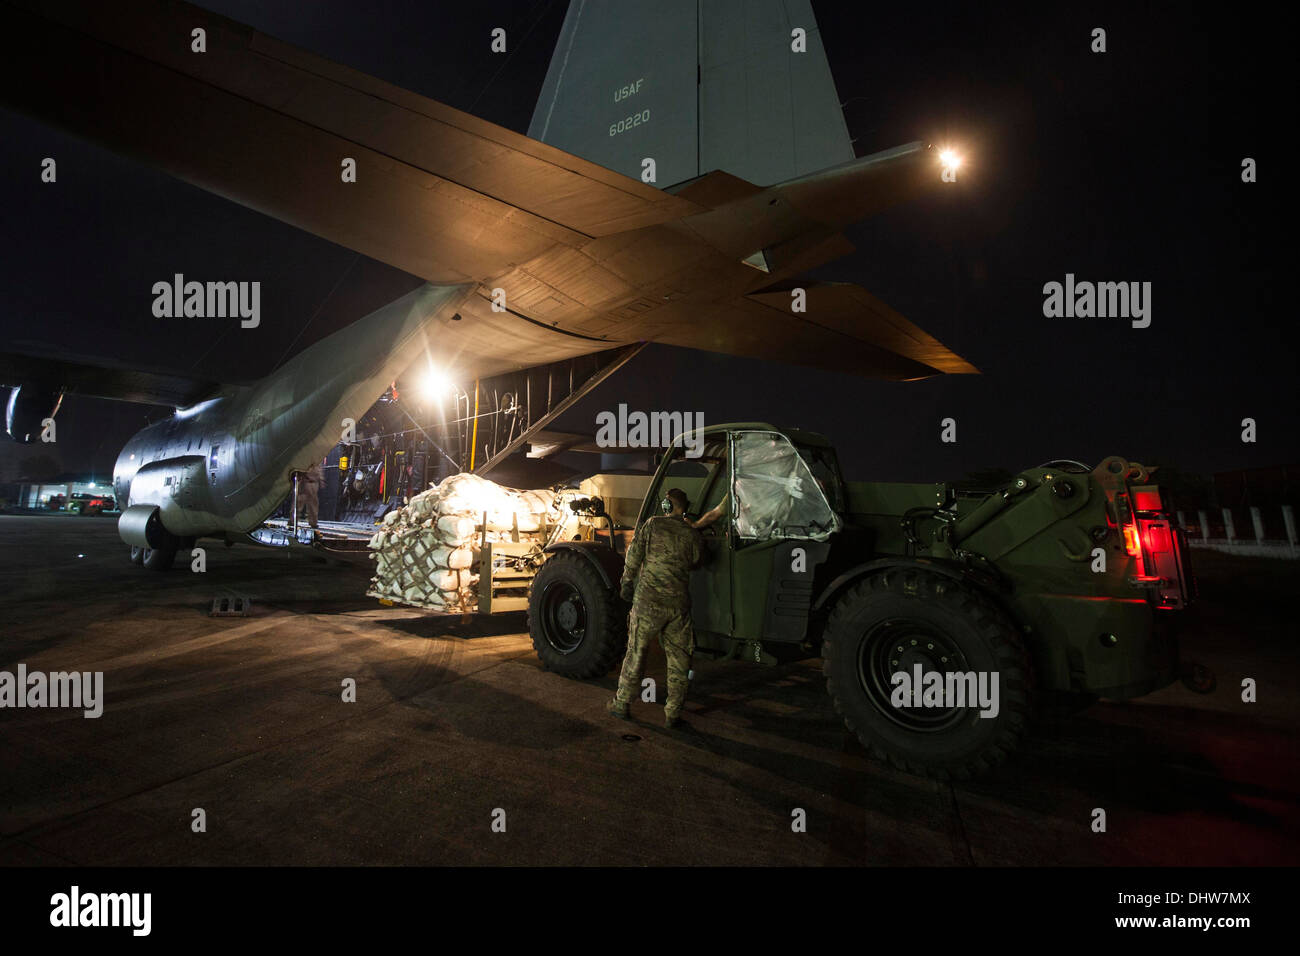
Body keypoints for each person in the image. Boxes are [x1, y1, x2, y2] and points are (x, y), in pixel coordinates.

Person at [608, 487, 702, 729]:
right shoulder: (691, 533)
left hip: (648, 603)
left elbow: (633, 558)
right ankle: (673, 714)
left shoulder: (652, 525)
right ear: (686, 507)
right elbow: (696, 561)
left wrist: (626, 586)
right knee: (680, 660)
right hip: (678, 606)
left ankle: (622, 704)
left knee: (636, 653)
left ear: (666, 505)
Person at [297, 459, 323, 530]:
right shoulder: (309, 458)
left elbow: (319, 471)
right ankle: (293, 520)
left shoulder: (317, 460)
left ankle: (313, 522)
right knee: (300, 502)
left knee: (312, 504)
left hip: (313, 482)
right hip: (305, 481)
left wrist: (320, 480)